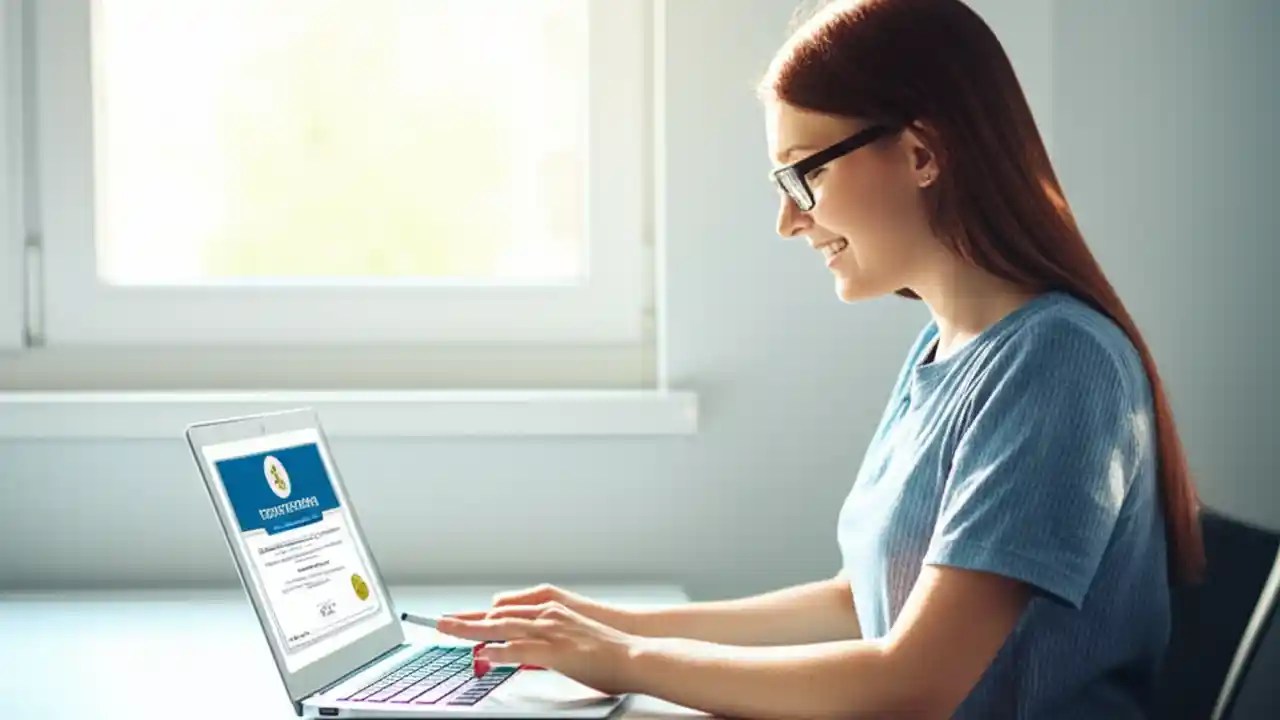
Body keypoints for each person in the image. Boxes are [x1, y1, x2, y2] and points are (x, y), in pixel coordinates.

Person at [435, 0, 1205, 717]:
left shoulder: (1059, 363)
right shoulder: (945, 350)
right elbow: (857, 601)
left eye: (806, 172)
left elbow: (917, 682)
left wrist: (629, 658)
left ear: (922, 153)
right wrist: (605, 626)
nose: (787, 220)